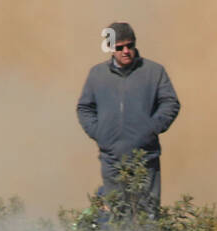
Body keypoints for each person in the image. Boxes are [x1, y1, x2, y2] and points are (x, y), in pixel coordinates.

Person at [76, 22, 180, 216]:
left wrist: (151, 128)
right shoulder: (97, 75)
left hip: (145, 158)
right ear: (110, 48)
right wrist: (99, 133)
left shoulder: (154, 71)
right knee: (116, 217)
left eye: (129, 46)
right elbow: (85, 107)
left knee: (147, 216)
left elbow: (170, 103)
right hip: (112, 160)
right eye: (119, 47)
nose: (126, 51)